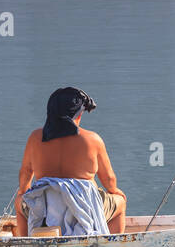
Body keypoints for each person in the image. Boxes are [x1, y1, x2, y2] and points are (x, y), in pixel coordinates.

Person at [15, 87, 126, 236]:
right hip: (84, 206)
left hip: (45, 206)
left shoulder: (35, 137)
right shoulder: (92, 139)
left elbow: (25, 172)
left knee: (19, 203)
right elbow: (109, 178)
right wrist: (115, 191)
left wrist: (23, 193)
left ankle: (26, 244)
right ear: (78, 115)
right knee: (120, 202)